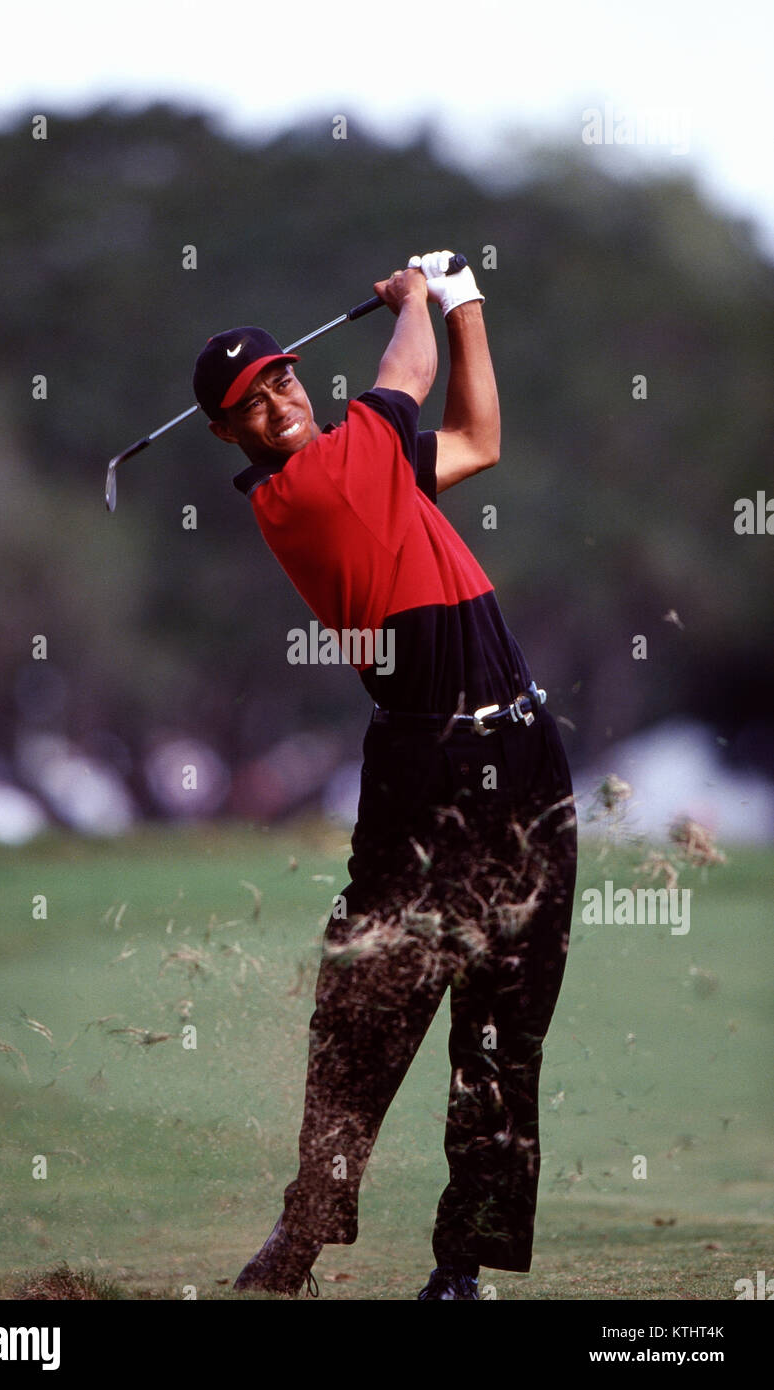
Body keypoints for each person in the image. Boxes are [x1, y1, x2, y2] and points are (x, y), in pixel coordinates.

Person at [191, 251, 577, 1300]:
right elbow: (401, 382)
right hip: (428, 763)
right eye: (251, 402)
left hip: (524, 750)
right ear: (228, 436)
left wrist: (468, 308)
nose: (278, 397)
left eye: (280, 377)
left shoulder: (371, 465)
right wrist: (416, 301)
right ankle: (304, 1230)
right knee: (368, 1000)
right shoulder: (311, 484)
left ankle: (460, 1269)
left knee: (503, 1015)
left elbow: (480, 438)